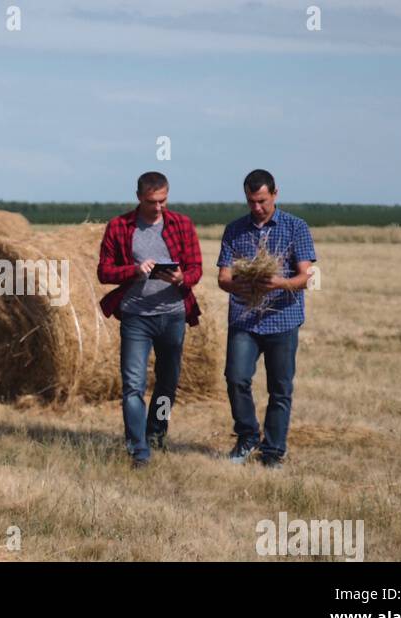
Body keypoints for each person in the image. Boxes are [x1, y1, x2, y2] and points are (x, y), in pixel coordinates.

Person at [98, 171, 203, 469]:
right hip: (136, 317)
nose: (158, 207)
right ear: (138, 197)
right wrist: (133, 270)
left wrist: (182, 277)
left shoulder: (181, 224)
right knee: (133, 385)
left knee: (167, 385)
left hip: (173, 316)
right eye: (151, 201)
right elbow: (104, 271)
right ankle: (138, 450)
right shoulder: (119, 227)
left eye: (163, 200)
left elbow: (196, 269)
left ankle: (156, 434)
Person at [216, 169, 317, 469]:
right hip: (245, 319)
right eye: (251, 201)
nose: (257, 207)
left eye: (262, 200)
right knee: (235, 378)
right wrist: (238, 285)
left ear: (275, 194)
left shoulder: (296, 227)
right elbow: (222, 277)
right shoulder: (234, 230)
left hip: (283, 319)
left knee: (280, 388)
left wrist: (279, 283)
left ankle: (273, 452)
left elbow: (305, 277)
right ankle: (248, 436)